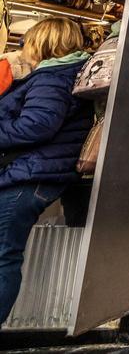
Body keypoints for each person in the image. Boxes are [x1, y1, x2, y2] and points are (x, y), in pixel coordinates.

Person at [0, 18, 92, 321]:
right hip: (32, 173)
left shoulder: (52, 78)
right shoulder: (63, 73)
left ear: (42, 42)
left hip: (28, 177)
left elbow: (36, 126)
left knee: (3, 258)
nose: (23, 47)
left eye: (27, 40)